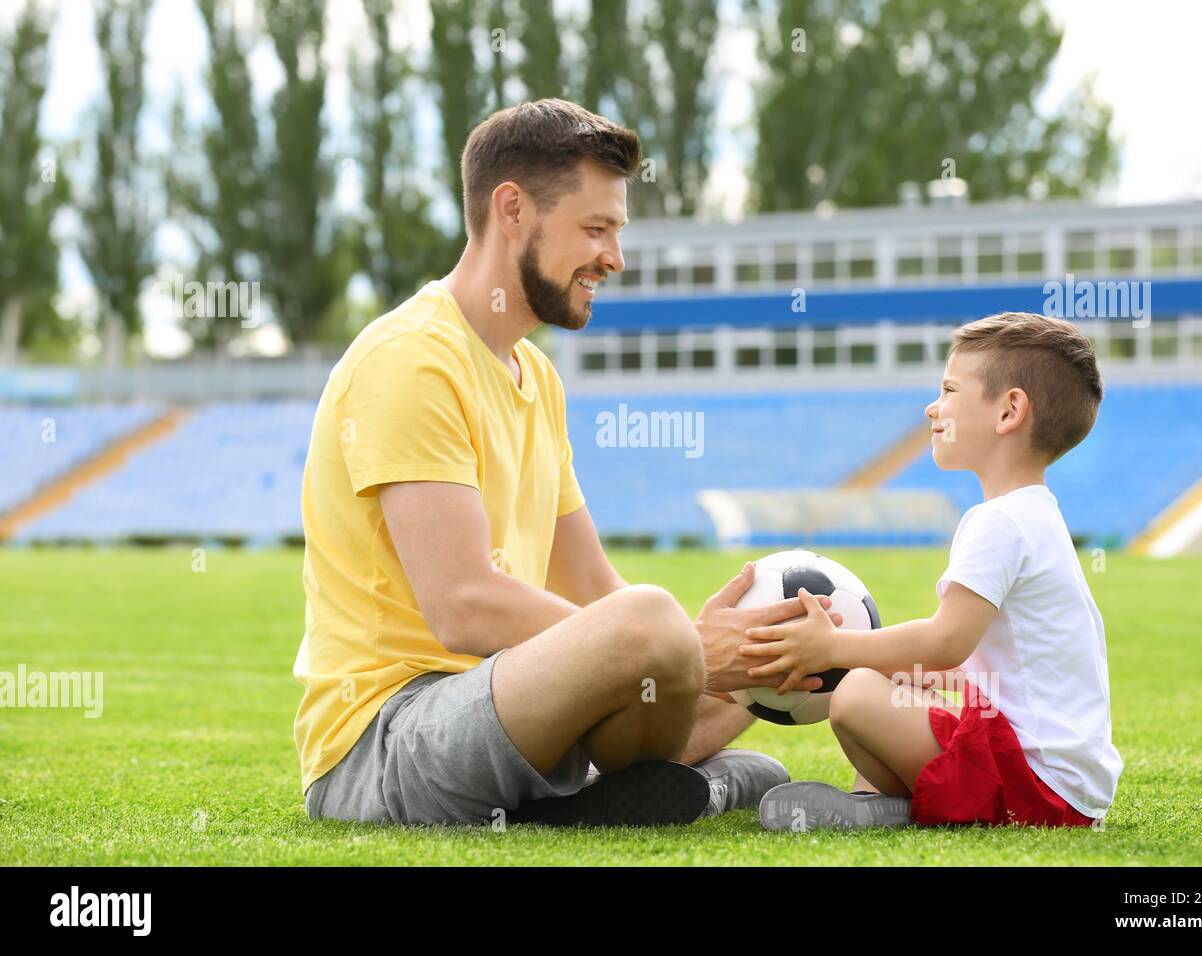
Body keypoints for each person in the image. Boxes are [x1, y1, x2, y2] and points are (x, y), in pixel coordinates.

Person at [292, 99, 835, 827]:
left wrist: (725, 660)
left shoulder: (535, 377)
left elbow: (596, 592)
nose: (614, 257)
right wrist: (681, 649)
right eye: (595, 228)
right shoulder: (410, 360)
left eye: (617, 231)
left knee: (762, 706)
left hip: (509, 709)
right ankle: (595, 797)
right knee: (653, 623)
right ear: (512, 208)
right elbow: (463, 605)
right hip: (388, 743)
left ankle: (579, 803)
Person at [750, 312, 1124, 831]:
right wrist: (886, 666)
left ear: (1010, 410)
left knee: (857, 691)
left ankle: (889, 807)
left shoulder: (1000, 521)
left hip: (1036, 791)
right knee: (880, 674)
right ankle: (885, 804)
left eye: (949, 389)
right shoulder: (1034, 514)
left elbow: (946, 642)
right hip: (1058, 788)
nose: (933, 406)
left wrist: (831, 649)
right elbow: (980, 669)